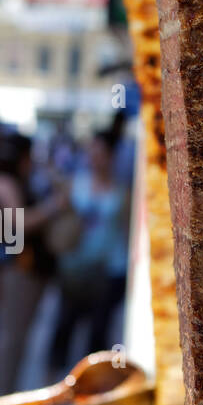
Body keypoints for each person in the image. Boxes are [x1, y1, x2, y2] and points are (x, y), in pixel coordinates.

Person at [0, 132, 68, 396]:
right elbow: (18, 222)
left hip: (30, 272)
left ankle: (5, 398)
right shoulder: (2, 181)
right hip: (19, 272)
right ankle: (0, 401)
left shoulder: (21, 179)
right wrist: (53, 207)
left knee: (17, 342)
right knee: (11, 343)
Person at [47, 127, 131, 376]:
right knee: (64, 326)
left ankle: (93, 382)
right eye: (91, 150)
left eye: (100, 151)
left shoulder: (121, 193)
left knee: (98, 330)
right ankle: (56, 380)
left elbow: (125, 231)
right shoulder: (74, 185)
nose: (95, 156)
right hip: (74, 268)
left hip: (106, 271)